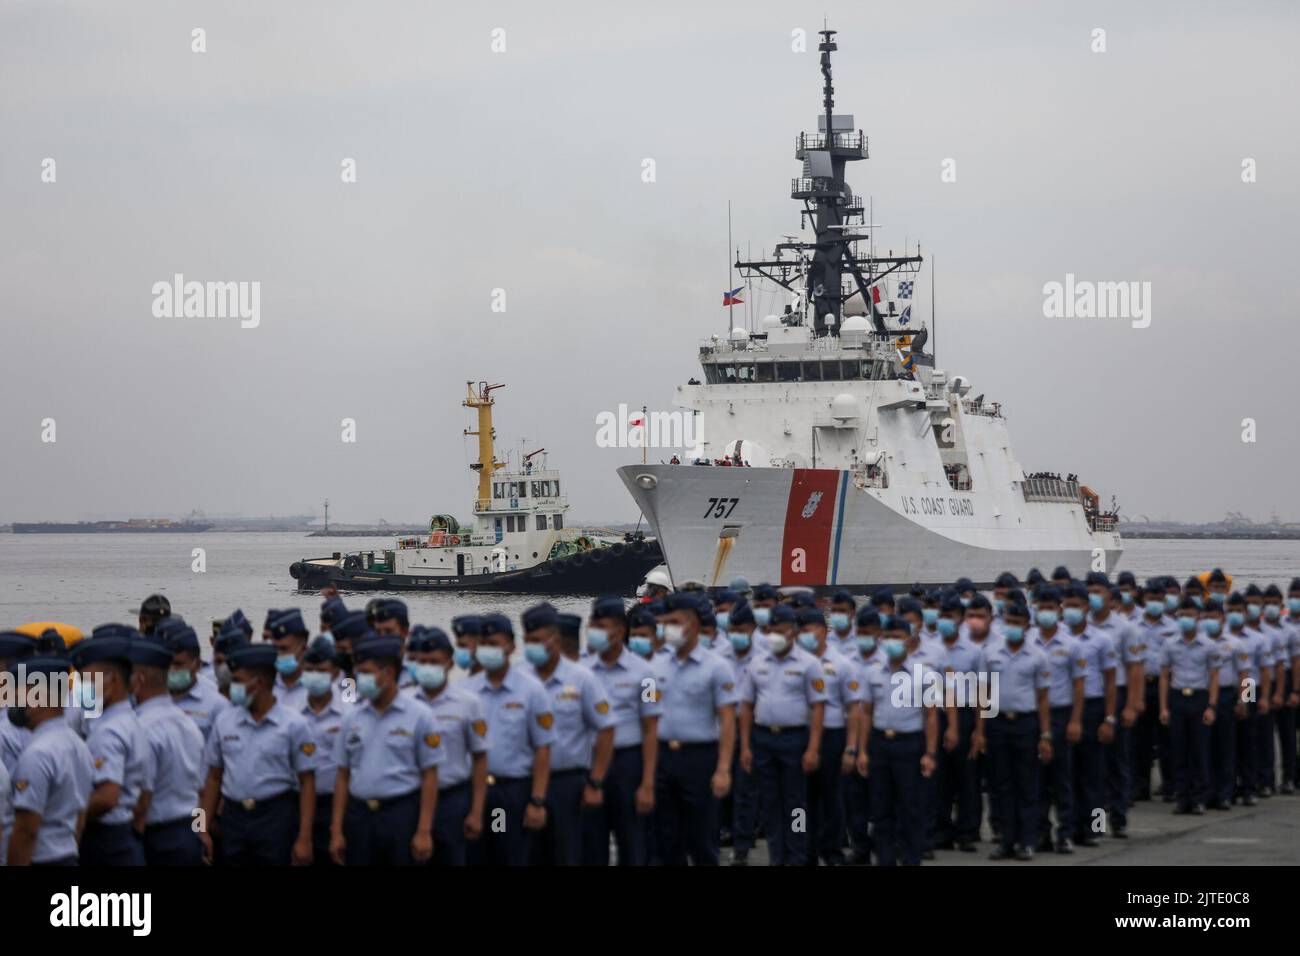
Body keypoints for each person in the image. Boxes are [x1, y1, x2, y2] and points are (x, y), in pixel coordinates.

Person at [198, 643, 318, 866]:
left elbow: (307, 783)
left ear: (259, 683)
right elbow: (213, 777)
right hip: (233, 819)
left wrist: (304, 838)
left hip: (276, 818)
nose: (233, 687)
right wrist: (201, 828)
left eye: (239, 682)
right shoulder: (224, 721)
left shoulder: (294, 725)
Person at [330, 635, 442, 866]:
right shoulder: (352, 717)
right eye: (357, 672)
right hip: (359, 816)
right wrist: (337, 831)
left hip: (400, 814)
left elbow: (430, 774)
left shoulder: (420, 715)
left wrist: (423, 830)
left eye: (366, 672)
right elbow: (342, 776)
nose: (360, 679)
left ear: (389, 673)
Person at [521, 603, 615, 865]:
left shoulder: (583, 678)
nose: (532, 645)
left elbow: (606, 729)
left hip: (568, 784)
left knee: (567, 854)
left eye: (538, 639)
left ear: (555, 639)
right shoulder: (518, 677)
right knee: (523, 853)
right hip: (523, 782)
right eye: (528, 639)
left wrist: (596, 781)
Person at [654, 591, 738, 866]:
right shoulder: (654, 667)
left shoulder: (717, 667)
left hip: (700, 759)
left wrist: (724, 768)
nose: (668, 629)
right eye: (665, 622)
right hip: (663, 758)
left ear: (691, 623)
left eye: (674, 622)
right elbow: (647, 717)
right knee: (667, 840)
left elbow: (727, 719)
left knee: (702, 840)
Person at [739, 604, 826, 866]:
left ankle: (797, 854)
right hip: (764, 739)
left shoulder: (808, 664)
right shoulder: (757, 663)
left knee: (796, 803)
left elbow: (818, 707)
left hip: (795, 739)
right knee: (771, 803)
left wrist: (813, 748)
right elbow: (746, 705)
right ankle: (777, 856)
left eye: (780, 630)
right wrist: (745, 746)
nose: (774, 636)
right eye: (771, 630)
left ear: (792, 632)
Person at [465, 613, 555, 866]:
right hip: (473, 791)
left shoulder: (531, 690)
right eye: (483, 644)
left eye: (494, 644)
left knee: (507, 854)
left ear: (511, 647)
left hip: (510, 792)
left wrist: (537, 800)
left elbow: (543, 748)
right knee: (474, 856)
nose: (487, 650)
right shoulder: (466, 691)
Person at [582, 596, 660, 866]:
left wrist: (648, 783)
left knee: (632, 842)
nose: (594, 631)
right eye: (593, 625)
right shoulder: (583, 673)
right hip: (591, 764)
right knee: (592, 844)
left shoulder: (645, 673)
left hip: (629, 764)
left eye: (601, 626)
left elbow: (651, 729)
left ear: (618, 629)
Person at [404, 626, 489, 867]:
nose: (428, 667)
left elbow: (480, 757)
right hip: (410, 800)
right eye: (423, 661)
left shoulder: (468, 703)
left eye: (434, 661)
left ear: (449, 663)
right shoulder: (403, 703)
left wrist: (476, 810)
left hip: (453, 800)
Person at [858, 617, 939, 866]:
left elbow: (931, 715)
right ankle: (885, 859)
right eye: (888, 637)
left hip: (910, 745)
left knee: (910, 808)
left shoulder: (923, 674)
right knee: (881, 809)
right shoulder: (872, 672)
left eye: (898, 637)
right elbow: (866, 713)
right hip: (881, 744)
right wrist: (861, 750)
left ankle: (911, 858)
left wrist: (930, 753)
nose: (892, 642)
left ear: (909, 639)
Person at [71, 627, 151, 866]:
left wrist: (66, 812)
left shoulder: (108, 731)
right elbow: (145, 794)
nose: (82, 689)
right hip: (125, 836)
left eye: (87, 681)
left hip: (105, 841)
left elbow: (106, 797)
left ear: (113, 680)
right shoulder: (132, 720)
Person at [5, 654, 94, 866]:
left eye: (20, 691)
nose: (13, 699)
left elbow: (26, 831)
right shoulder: (79, 745)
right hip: (68, 855)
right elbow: (80, 817)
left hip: (41, 859)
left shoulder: (37, 754)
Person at [979, 602, 1052, 861]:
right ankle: (1006, 841)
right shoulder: (991, 653)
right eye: (1008, 622)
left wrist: (1045, 735)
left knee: (1027, 785)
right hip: (998, 723)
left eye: (1017, 623)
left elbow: (1043, 698)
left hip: (1025, 724)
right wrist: (981, 730)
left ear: (1027, 626)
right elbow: (984, 693)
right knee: (1001, 786)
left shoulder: (1037, 656)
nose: (1012, 627)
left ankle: (1027, 841)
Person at [130, 632, 205, 866]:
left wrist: (132, 843)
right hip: (188, 831)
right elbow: (199, 791)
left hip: (157, 838)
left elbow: (142, 802)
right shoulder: (188, 724)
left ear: (139, 678)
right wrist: (200, 833)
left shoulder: (142, 728)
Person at [1086, 572, 1142, 838]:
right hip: (1088, 697)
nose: (1095, 597)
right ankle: (1095, 824)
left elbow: (1134, 669)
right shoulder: (1080, 626)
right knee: (1091, 767)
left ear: (1110, 595)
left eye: (1099, 591)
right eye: (1090, 592)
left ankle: (1118, 819)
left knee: (1117, 762)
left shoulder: (1124, 628)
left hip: (1117, 695)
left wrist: (1132, 705)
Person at [1061, 582, 1117, 846]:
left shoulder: (1101, 640)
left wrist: (1109, 718)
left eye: (1076, 606)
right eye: (1067, 605)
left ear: (1086, 607)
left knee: (1093, 775)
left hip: (1093, 709)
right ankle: (1069, 828)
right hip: (1064, 709)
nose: (1071, 610)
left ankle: (1094, 828)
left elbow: (1110, 681)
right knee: (1066, 775)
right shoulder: (1056, 638)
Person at [1028, 590, 1083, 854]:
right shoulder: (1028, 642)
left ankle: (1066, 833)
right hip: (1034, 717)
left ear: (1059, 609)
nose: (1046, 612)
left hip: (1061, 714)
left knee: (1062, 779)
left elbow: (1079, 685)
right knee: (1037, 780)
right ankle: (1040, 833)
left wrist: (1075, 721)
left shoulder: (1070, 644)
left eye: (1050, 607)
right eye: (1042, 606)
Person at [1159, 598, 1219, 815]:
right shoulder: (1170, 644)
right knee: (1179, 750)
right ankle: (1182, 797)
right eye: (1182, 615)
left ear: (1198, 617)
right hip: (1177, 698)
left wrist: (1213, 706)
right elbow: (1164, 677)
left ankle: (1200, 797)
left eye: (1190, 615)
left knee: (1200, 750)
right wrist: (1163, 707)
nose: (1186, 619)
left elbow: (1218, 677)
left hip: (1201, 698)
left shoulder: (1210, 645)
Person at [935, 594, 983, 852]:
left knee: (967, 778)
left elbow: (984, 692)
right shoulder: (931, 648)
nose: (945, 621)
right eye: (943, 616)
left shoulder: (974, 651)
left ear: (961, 619)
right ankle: (941, 831)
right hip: (938, 716)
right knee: (940, 778)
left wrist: (979, 729)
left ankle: (967, 832)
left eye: (951, 616)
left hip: (965, 716)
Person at [300, 636, 348, 864]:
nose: (315, 675)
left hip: (337, 804)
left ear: (335, 672)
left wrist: (337, 828)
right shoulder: (289, 713)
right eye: (310, 669)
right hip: (294, 803)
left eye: (321, 669)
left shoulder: (350, 712)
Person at [843, 608, 882, 865]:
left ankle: (882, 844)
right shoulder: (848, 662)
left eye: (868, 633)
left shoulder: (891, 661)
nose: (862, 637)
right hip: (853, 735)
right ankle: (860, 845)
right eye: (860, 632)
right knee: (852, 797)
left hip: (881, 736)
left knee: (881, 796)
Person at [1203, 602, 1244, 810]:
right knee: (1205, 748)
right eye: (1207, 616)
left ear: (1222, 618)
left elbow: (1245, 675)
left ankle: (1225, 794)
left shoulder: (1234, 643)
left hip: (1228, 696)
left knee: (1226, 747)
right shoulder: (1199, 642)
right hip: (1204, 697)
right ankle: (1208, 792)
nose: (1211, 620)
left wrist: (1245, 701)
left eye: (1215, 616)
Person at [167, 622, 232, 744]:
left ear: (197, 665)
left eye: (178, 664)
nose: (171, 670)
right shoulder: (152, 699)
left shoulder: (217, 704)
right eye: (167, 663)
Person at [267, 609, 312, 713]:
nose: (279, 655)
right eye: (275, 648)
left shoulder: (319, 687)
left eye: (284, 649)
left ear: (303, 647)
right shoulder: (264, 688)